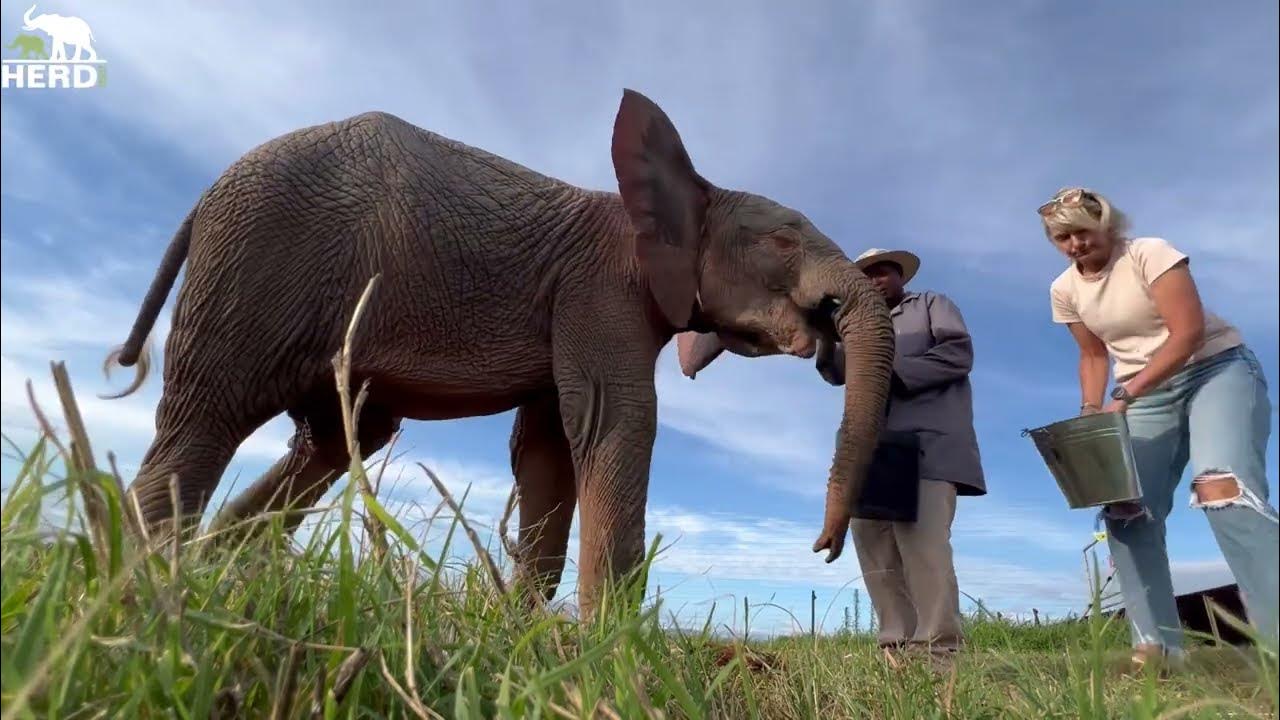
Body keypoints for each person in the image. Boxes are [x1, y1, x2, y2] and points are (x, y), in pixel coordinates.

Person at [1039, 186, 1280, 669]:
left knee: (1222, 490)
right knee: (1125, 507)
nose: (1074, 244)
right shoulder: (1064, 289)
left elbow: (1186, 333)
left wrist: (1123, 396)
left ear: (1105, 224)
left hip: (1215, 369)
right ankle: (1157, 646)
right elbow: (1092, 355)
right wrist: (1092, 412)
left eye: (1081, 232)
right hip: (1145, 392)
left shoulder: (1149, 253)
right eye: (1062, 237)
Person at [829, 247, 986, 658]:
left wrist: (889, 370)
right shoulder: (854, 322)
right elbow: (833, 373)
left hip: (929, 442)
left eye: (884, 272)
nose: (876, 280)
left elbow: (957, 355)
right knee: (873, 539)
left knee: (924, 543)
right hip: (873, 446)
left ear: (902, 277)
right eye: (867, 275)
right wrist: (825, 333)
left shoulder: (932, 305)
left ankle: (938, 651)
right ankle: (895, 646)